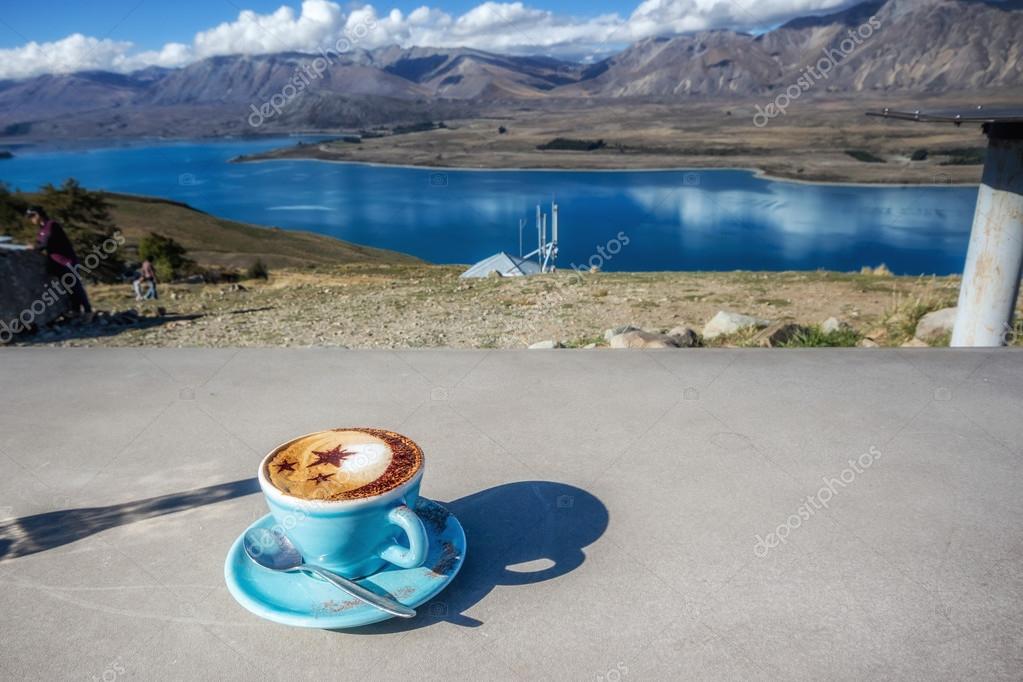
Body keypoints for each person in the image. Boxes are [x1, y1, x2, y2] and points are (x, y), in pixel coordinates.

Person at [27, 206, 92, 316]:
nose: (30, 219)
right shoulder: (42, 229)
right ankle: (76, 310)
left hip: (66, 261)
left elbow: (44, 243)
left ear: (37, 215)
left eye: (31, 216)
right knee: (66, 288)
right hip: (56, 262)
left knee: (75, 286)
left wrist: (34, 247)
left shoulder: (51, 225)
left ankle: (88, 311)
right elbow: (39, 242)